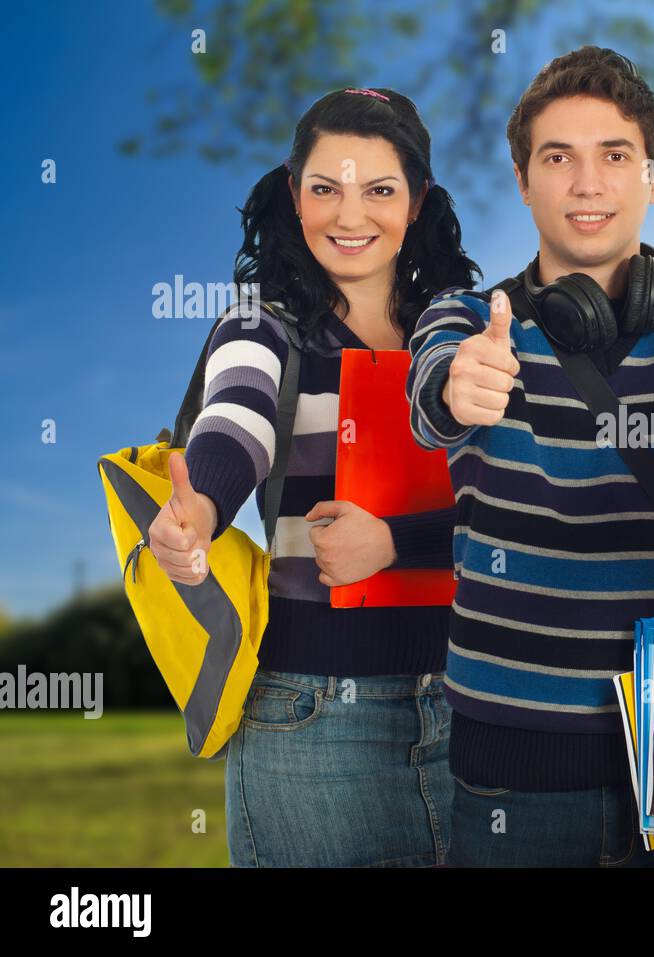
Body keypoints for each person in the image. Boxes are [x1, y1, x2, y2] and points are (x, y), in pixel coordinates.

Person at [405, 46, 654, 867]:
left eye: (615, 156)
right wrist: (458, 387)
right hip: (507, 773)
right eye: (558, 157)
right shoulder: (467, 318)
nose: (587, 183)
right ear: (522, 178)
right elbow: (433, 391)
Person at [146, 87, 480, 867]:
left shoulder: (465, 333)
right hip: (315, 717)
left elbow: (515, 508)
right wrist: (204, 504)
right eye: (325, 188)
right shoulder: (260, 325)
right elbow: (237, 418)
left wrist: (397, 541)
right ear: (295, 195)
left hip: (475, 707)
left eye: (380, 190)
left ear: (418, 199)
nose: (349, 215)